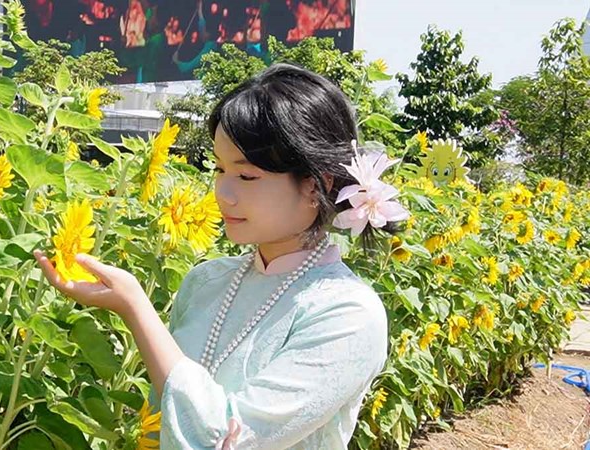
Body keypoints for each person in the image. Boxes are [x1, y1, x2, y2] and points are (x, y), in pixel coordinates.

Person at [33, 63, 408, 449]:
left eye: (246, 177)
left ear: (318, 185)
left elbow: (231, 438)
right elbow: (162, 420)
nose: (223, 193)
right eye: (219, 168)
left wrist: (135, 308)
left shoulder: (346, 312)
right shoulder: (207, 281)